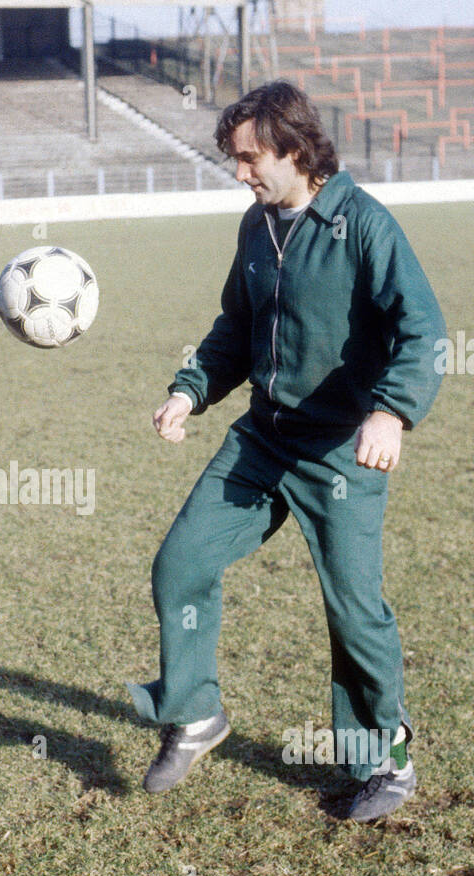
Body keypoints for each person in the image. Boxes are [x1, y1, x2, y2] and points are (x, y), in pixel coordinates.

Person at [128, 80, 445, 821]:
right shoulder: (255, 226)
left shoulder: (362, 224)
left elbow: (421, 330)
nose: (240, 174)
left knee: (353, 609)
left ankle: (384, 763)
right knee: (181, 564)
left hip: (338, 451)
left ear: (295, 150)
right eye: (234, 161)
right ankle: (194, 713)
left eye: (249, 159)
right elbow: (235, 328)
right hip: (262, 439)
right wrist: (189, 389)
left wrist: (390, 414)